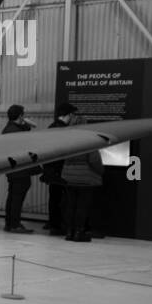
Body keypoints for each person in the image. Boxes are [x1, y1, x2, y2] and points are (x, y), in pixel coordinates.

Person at [59, 112, 103, 242]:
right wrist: (101, 171)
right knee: (82, 207)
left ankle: (69, 232)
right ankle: (79, 232)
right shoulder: (89, 140)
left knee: (70, 205)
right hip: (85, 178)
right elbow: (94, 160)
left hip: (68, 177)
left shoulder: (67, 139)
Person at [1, 104, 39, 233]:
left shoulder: (9, 129)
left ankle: (10, 223)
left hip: (13, 169)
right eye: (24, 114)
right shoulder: (16, 132)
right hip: (20, 169)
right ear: (20, 115)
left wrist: (27, 124)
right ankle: (15, 224)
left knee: (12, 196)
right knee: (17, 198)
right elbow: (26, 146)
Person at [40, 102, 76, 235]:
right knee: (62, 199)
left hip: (51, 169)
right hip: (60, 170)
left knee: (54, 198)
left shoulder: (51, 127)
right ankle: (59, 225)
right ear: (68, 115)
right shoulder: (64, 130)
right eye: (72, 114)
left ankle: (53, 223)